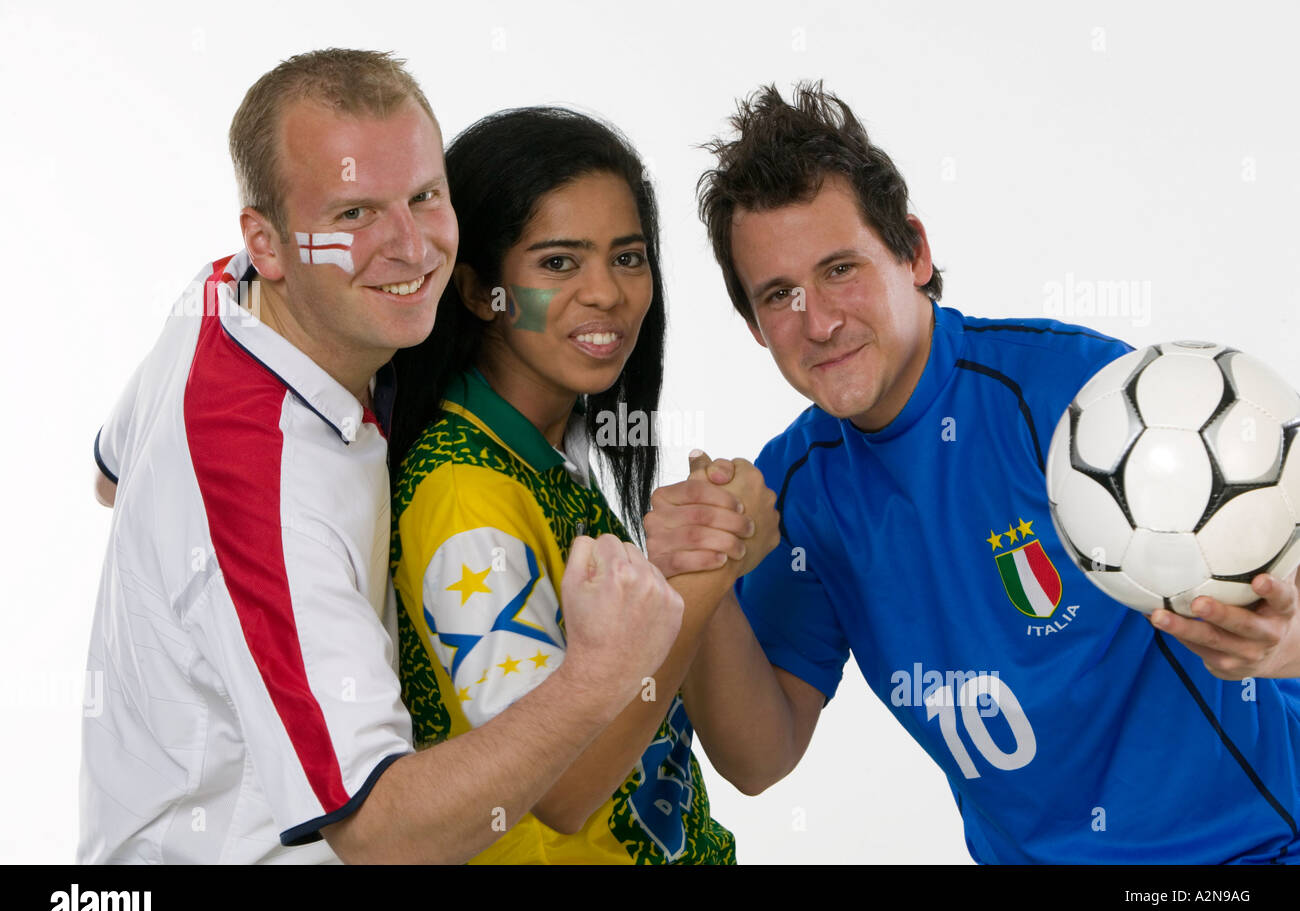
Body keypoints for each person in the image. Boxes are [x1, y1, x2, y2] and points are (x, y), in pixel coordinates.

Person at [646, 81, 1300, 863]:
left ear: (913, 252)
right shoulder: (794, 490)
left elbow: (1269, 572)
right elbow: (759, 760)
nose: (817, 322)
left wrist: (1282, 642)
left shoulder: (1073, 398)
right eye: (779, 295)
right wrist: (705, 579)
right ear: (753, 325)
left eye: (840, 269)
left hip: (1247, 850)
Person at [82, 49, 687, 864]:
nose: (410, 248)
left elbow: (109, 474)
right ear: (267, 241)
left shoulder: (219, 293)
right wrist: (602, 671)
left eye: (424, 197)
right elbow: (381, 835)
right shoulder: (272, 496)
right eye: (354, 214)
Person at [388, 107, 777, 864]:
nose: (607, 293)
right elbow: (556, 787)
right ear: (478, 291)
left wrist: (700, 556)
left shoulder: (541, 462)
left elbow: (750, 760)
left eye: (628, 258)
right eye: (559, 263)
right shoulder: (464, 496)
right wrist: (706, 571)